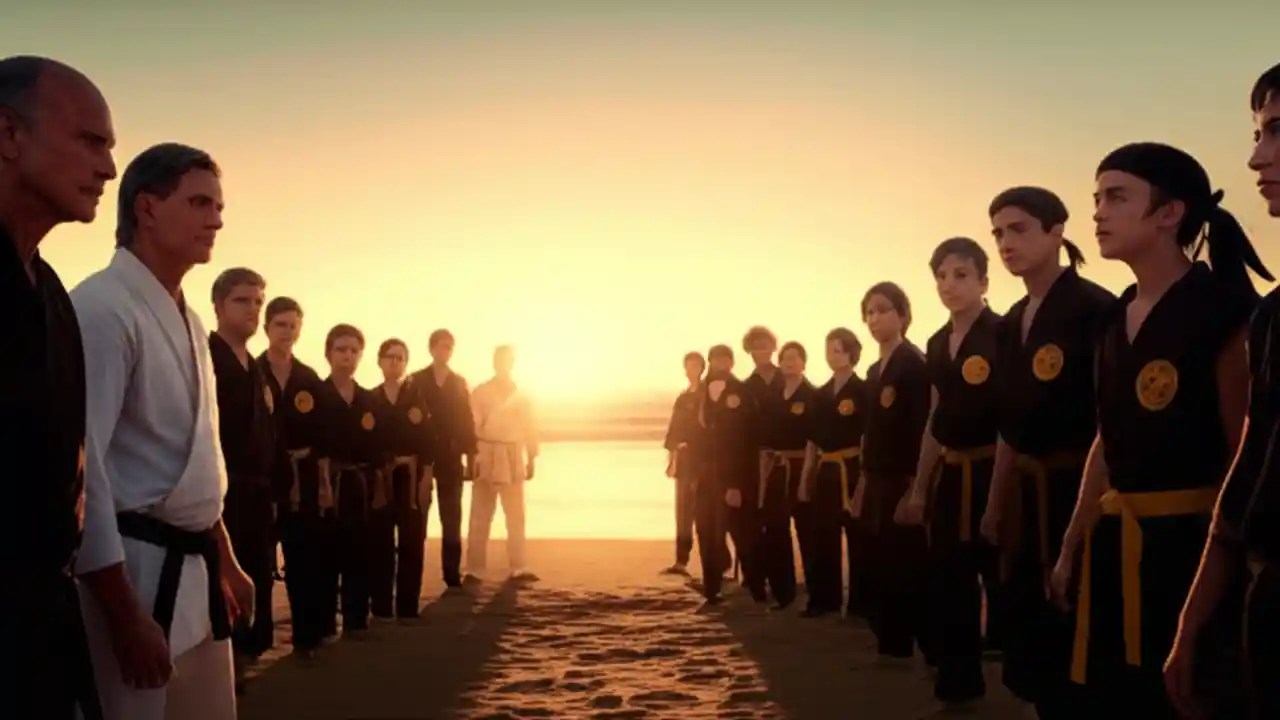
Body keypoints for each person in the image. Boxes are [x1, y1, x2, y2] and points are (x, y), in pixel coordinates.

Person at [1050, 142, 1270, 718]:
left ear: (1170, 213)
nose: (1098, 211)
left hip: (1192, 552)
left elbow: (1242, 454)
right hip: (1114, 549)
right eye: (1096, 198)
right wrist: (1074, 539)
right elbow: (1108, 435)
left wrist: (1227, 582)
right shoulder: (1110, 320)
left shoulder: (1223, 309)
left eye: (1117, 196)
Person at [72, 143, 254, 720]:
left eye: (219, 206)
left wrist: (225, 558)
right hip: (130, 571)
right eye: (199, 202)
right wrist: (123, 615)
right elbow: (84, 474)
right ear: (147, 208)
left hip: (196, 571)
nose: (217, 219)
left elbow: (196, 454)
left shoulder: (192, 319)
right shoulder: (102, 309)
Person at [1, 54, 116, 720]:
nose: (107, 168)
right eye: (91, 141)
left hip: (40, 638)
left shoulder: (53, 298)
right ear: (9, 135)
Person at [1165, 63, 1280, 720]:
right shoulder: (1271, 318)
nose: (1256, 156)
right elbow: (1245, 483)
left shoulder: (1231, 313)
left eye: (1276, 132)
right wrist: (1193, 622)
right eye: (1257, 132)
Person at [977, 187, 1114, 719]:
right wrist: (994, 503)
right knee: (1029, 627)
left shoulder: (1094, 308)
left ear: (1057, 232)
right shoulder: (1012, 320)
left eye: (1018, 229)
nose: (1006, 243)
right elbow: (1009, 424)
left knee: (1074, 621)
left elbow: (1110, 422)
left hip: (1079, 490)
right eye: (998, 233)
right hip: (1023, 495)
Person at [898, 237, 1004, 706]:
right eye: (941, 275)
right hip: (951, 475)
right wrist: (920, 488)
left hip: (997, 470)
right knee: (947, 580)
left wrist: (1000, 498)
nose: (949, 285)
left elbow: (1011, 420)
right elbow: (934, 420)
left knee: (1003, 578)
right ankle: (960, 686)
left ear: (983, 280)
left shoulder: (1004, 332)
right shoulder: (937, 343)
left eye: (961, 274)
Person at [208, 268, 281, 676]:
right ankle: (225, 665)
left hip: (258, 492)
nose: (253, 309)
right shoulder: (205, 356)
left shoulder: (256, 367)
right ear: (218, 306)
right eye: (242, 300)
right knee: (222, 584)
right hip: (221, 491)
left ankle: (247, 657)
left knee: (258, 574)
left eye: (258, 301)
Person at [856, 283, 930, 660]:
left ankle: (904, 646)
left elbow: (923, 430)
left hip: (904, 480)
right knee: (878, 562)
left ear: (902, 315)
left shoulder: (913, 363)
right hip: (876, 479)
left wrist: (916, 488)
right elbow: (869, 432)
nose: (874, 318)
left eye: (883, 309)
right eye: (869, 311)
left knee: (906, 566)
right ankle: (888, 639)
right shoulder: (873, 371)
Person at [257, 297, 330, 656]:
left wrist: (323, 481)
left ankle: (307, 636)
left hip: (304, 479)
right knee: (260, 563)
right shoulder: (252, 373)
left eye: (293, 325)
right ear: (267, 327)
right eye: (280, 324)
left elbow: (324, 434)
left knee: (304, 560)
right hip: (264, 482)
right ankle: (256, 641)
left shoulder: (309, 378)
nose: (287, 331)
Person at [316, 324, 386, 637]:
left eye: (353, 350)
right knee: (327, 554)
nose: (347, 356)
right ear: (328, 353)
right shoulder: (316, 394)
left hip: (361, 483)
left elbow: (379, 447)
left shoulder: (370, 399)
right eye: (341, 350)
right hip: (327, 481)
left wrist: (379, 486)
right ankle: (326, 622)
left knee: (361, 551)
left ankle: (357, 618)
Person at [801, 328, 869, 618]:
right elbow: (812, 441)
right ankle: (824, 600)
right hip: (826, 468)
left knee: (859, 538)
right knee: (823, 536)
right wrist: (805, 479)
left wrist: (866, 478)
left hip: (853, 467)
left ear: (853, 353)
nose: (833, 356)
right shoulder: (819, 394)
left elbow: (868, 436)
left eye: (839, 350)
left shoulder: (864, 390)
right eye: (829, 350)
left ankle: (860, 604)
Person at [370, 338, 435, 621]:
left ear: (406, 363)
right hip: (382, 477)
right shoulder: (370, 398)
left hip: (412, 477)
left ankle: (408, 606)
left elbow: (430, 442)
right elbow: (366, 442)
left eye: (399, 358)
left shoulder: (418, 397)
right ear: (380, 361)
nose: (394, 362)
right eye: (389, 357)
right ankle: (382, 606)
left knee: (412, 541)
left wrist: (425, 480)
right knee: (381, 543)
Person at [410, 329, 477, 588]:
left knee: (451, 518)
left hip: (451, 456)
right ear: (431, 348)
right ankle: (413, 573)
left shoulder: (459, 382)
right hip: (423, 457)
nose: (445, 351)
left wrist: (471, 458)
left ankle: (452, 575)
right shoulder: (416, 380)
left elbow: (467, 420)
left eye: (449, 347)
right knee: (419, 517)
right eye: (441, 346)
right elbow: (409, 419)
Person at [466, 345, 540, 581]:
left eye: (508, 360)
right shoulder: (480, 392)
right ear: (494, 362)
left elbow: (530, 427)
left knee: (515, 513)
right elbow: (471, 427)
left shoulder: (521, 393)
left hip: (512, 452)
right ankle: (474, 569)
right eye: (500, 359)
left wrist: (532, 456)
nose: (503, 364)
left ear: (512, 363)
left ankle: (518, 565)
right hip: (486, 451)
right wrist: (472, 459)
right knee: (480, 514)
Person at [701, 344, 761, 603]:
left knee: (743, 534)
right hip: (704, 477)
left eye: (725, 359)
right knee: (707, 535)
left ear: (732, 362)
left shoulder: (741, 392)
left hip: (733, 475)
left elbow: (742, 440)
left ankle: (756, 586)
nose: (720, 363)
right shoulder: (699, 393)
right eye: (715, 359)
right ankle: (712, 589)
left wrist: (735, 483)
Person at [756, 341, 814, 610]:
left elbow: (816, 438)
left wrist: (807, 476)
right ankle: (783, 592)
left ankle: (815, 593)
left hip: (804, 466)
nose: (790, 362)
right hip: (777, 467)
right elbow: (763, 436)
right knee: (776, 530)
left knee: (807, 530)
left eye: (795, 357)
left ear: (804, 362)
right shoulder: (772, 396)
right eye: (786, 358)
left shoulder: (812, 395)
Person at [662, 351, 708, 576]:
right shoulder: (682, 398)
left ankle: (720, 562)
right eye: (689, 366)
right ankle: (681, 561)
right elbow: (673, 431)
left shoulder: (707, 395)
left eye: (697, 365)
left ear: (702, 367)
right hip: (683, 462)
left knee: (705, 512)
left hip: (703, 461)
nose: (693, 369)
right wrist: (671, 460)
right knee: (683, 513)